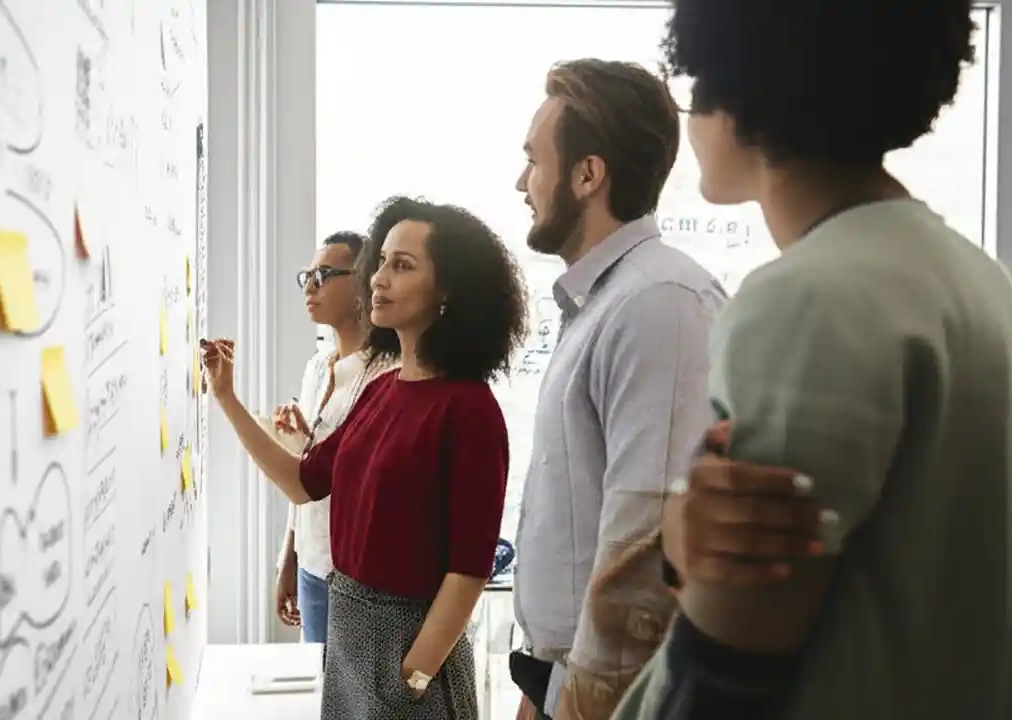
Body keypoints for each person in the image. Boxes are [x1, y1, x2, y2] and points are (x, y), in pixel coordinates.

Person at [613, 1, 1012, 717]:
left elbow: (738, 646)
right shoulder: (979, 281)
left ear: (735, 91)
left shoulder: (807, 299)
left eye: (693, 84)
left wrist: (686, 549)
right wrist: (682, 541)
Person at [202, 196, 528, 718]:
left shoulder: (469, 409)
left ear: (447, 292)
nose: (378, 279)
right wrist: (226, 399)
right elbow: (302, 481)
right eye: (381, 261)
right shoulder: (381, 390)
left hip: (409, 651)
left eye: (402, 266)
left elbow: (467, 572)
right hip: (348, 637)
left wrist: (412, 680)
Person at [509, 59, 726, 720]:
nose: (522, 182)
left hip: (610, 698)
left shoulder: (657, 302)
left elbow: (646, 556)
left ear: (587, 174)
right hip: (563, 680)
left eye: (533, 161)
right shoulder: (608, 301)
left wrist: (578, 703)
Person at [271, 231, 396, 643]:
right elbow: (302, 476)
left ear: (363, 283)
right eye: (308, 274)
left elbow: (375, 481)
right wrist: (288, 559)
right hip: (312, 562)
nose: (311, 285)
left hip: (357, 576)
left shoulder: (388, 373)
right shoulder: (317, 366)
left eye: (325, 274)